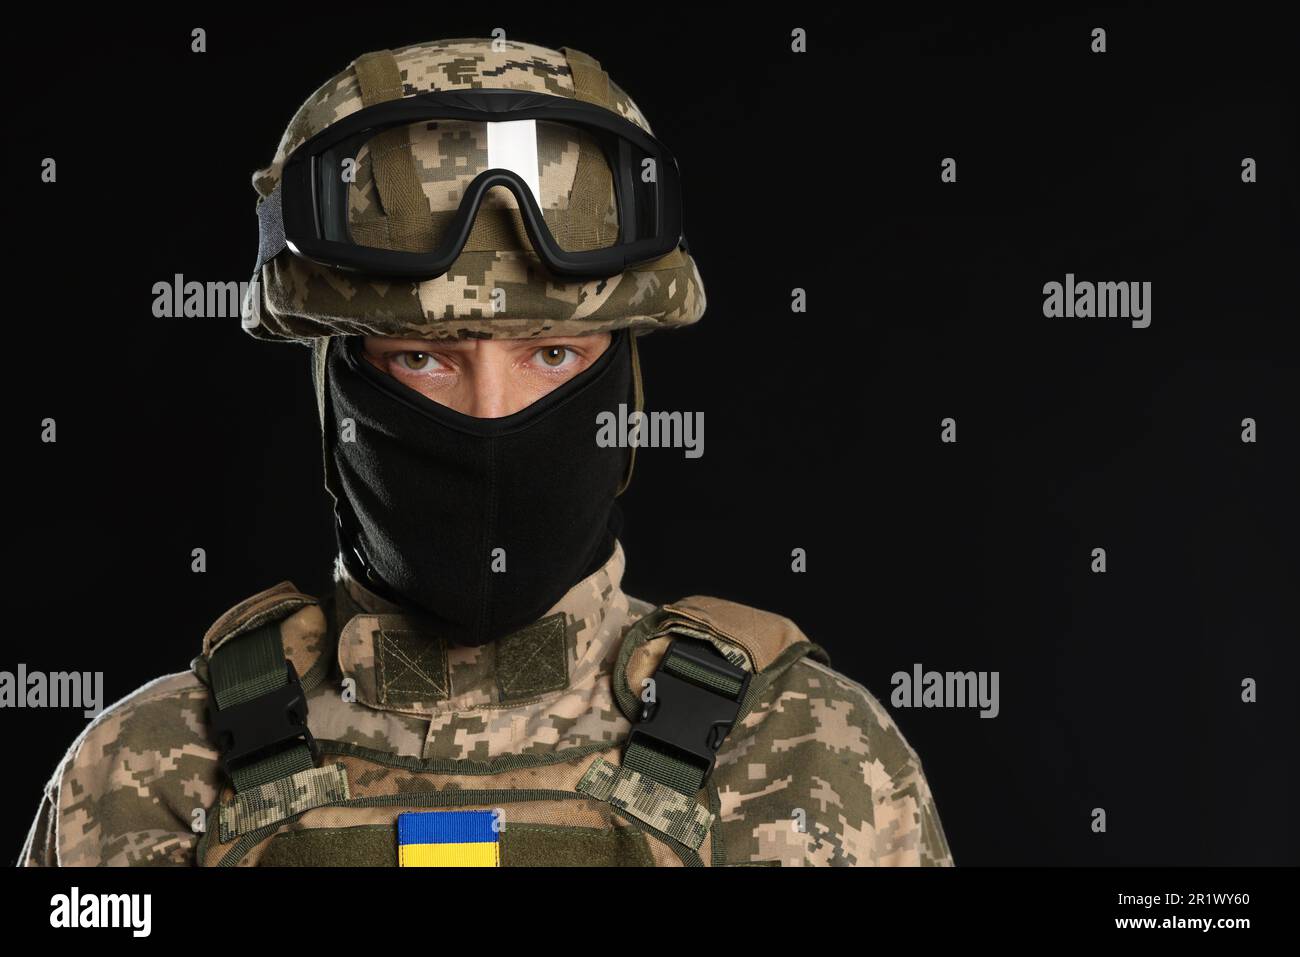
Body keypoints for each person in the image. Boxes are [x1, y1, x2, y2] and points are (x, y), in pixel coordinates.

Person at [20, 37, 953, 867]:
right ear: (339, 387)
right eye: (422, 359)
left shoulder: (814, 754)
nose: (493, 414)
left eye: (553, 356)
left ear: (620, 383)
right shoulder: (147, 774)